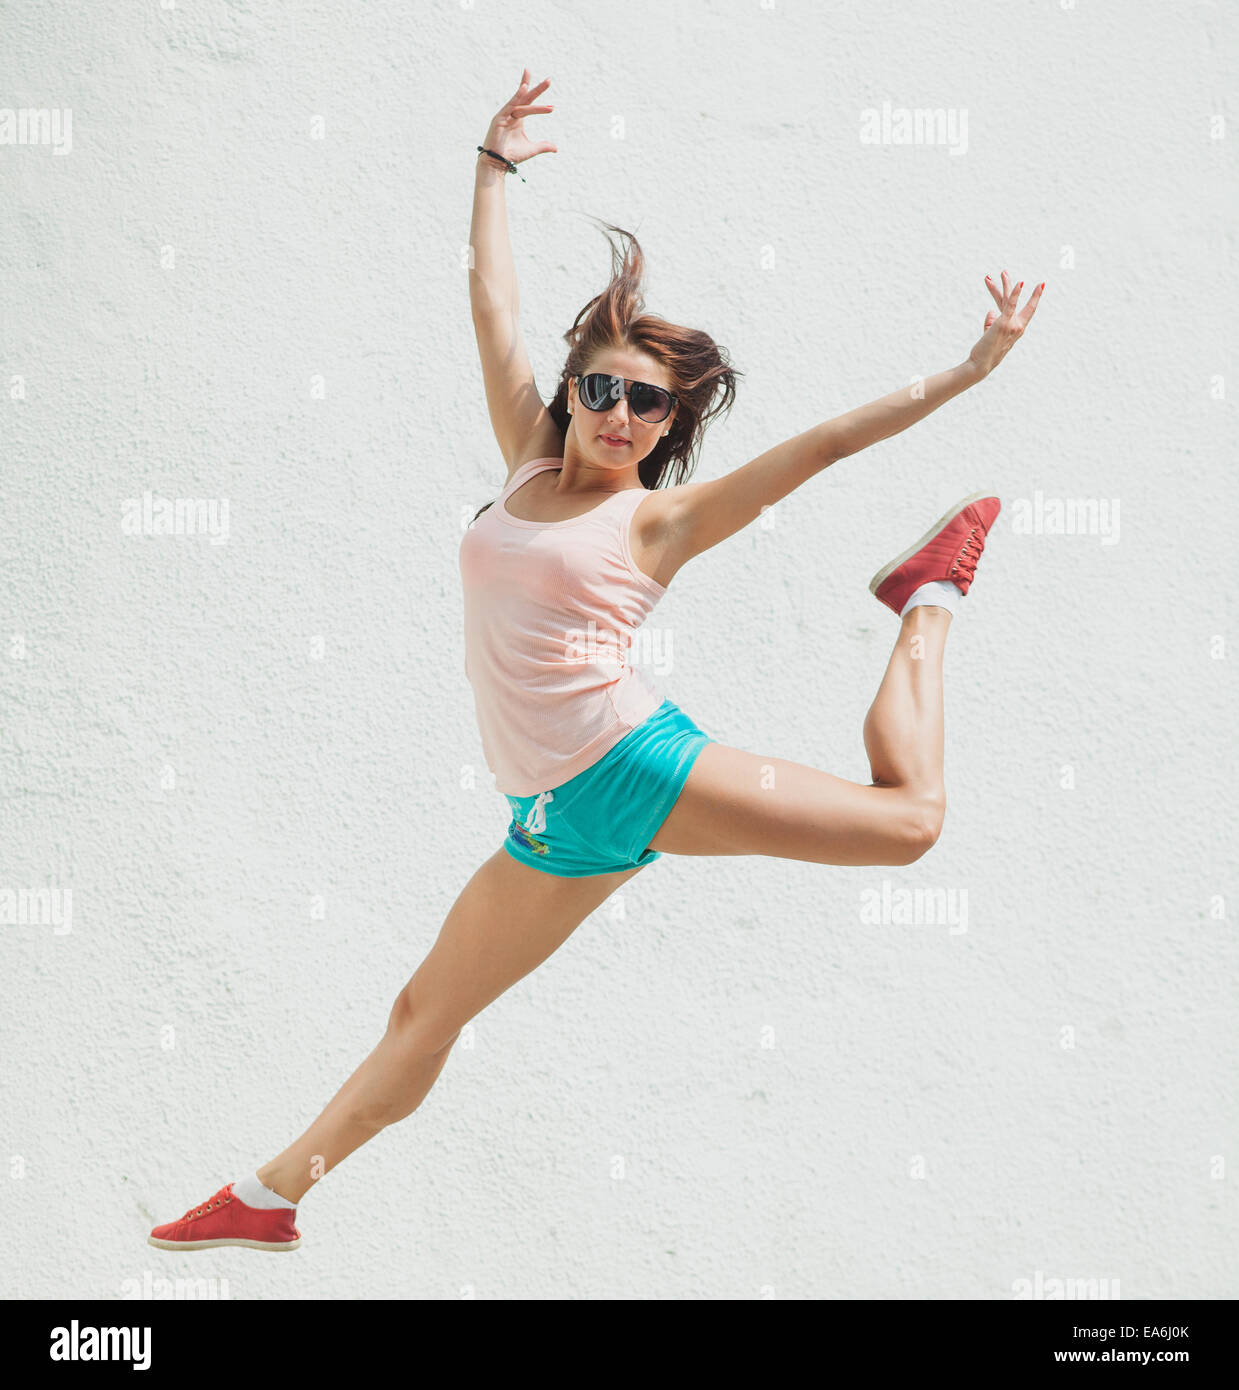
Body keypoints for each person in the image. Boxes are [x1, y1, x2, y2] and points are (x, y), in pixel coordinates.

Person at [148, 68, 1042, 1252]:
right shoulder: (525, 463)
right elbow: (489, 307)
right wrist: (490, 170)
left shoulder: (655, 524)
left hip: (630, 765)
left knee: (913, 822)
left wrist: (967, 371)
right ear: (573, 389)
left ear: (672, 426)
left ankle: (924, 601)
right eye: (606, 389)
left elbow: (823, 445)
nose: (623, 416)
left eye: (652, 408)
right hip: (555, 815)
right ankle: (273, 1196)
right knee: (424, 1012)